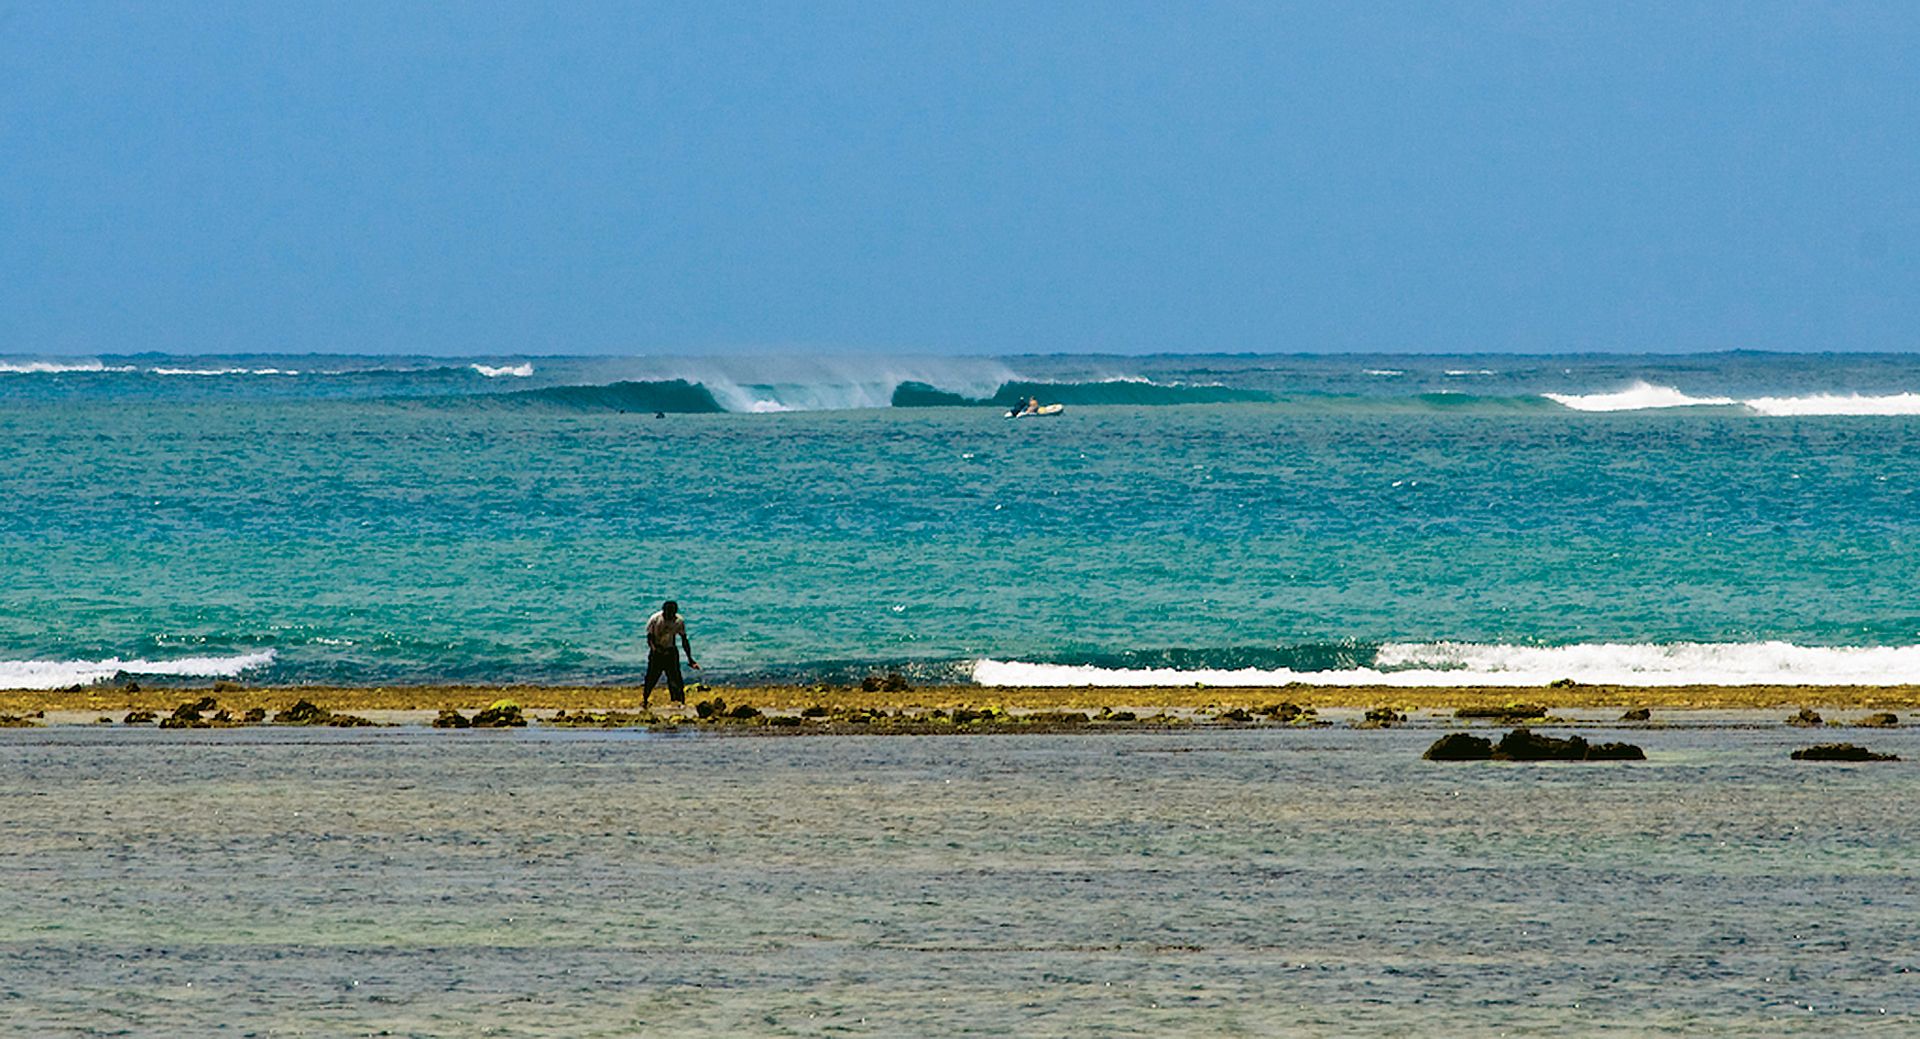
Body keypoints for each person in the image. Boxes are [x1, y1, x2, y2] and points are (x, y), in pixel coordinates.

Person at [643, 600, 699, 708]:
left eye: (672, 614)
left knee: (676, 679)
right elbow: (650, 638)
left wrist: (690, 659)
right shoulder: (655, 619)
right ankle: (645, 699)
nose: (670, 617)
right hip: (657, 652)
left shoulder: (678, 621)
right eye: (668, 614)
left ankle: (680, 702)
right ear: (664, 611)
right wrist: (655, 650)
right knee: (651, 677)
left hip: (671, 651)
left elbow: (684, 640)